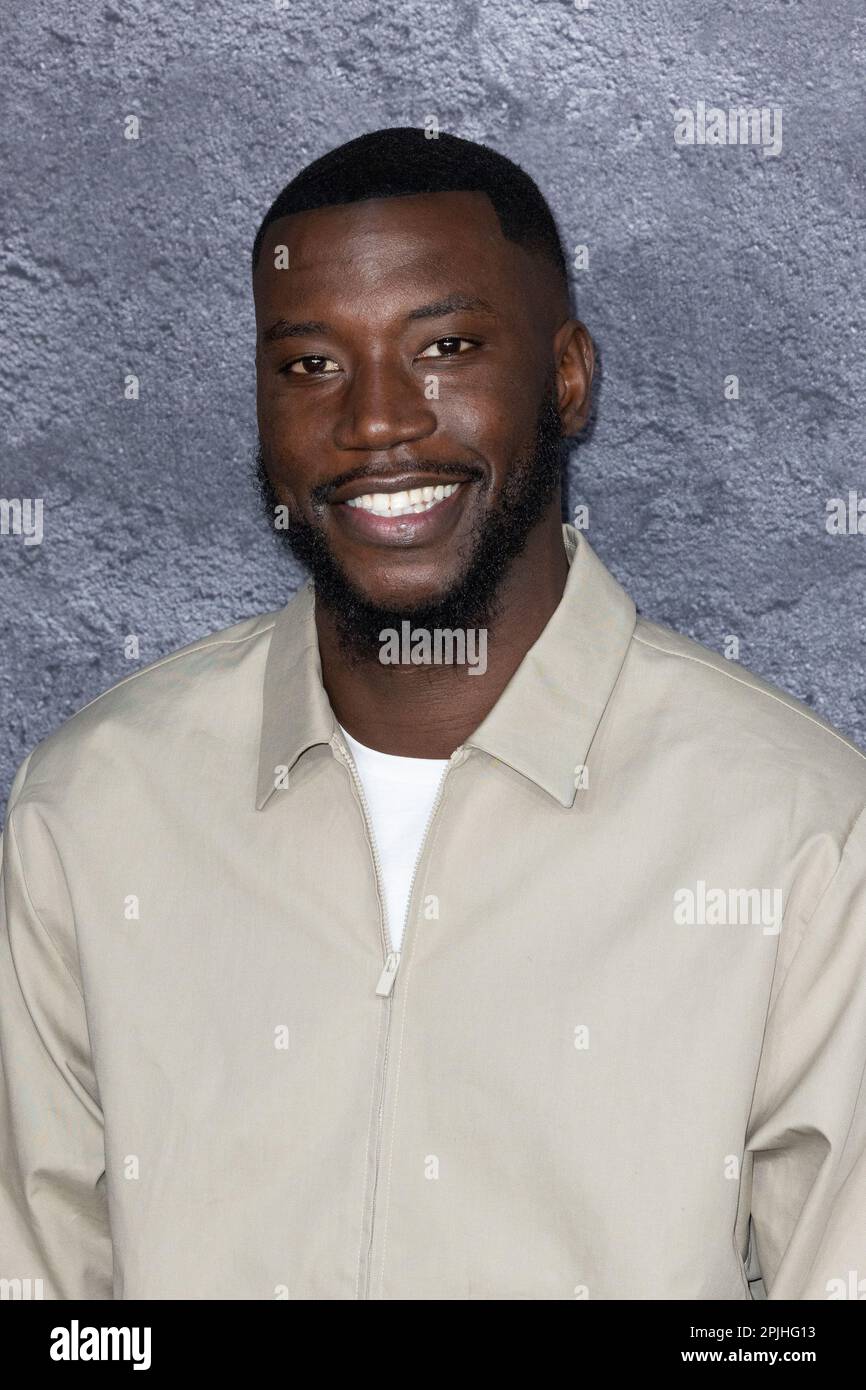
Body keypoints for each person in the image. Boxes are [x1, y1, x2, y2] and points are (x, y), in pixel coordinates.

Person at [1, 127, 865, 1301]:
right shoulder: (90, 810)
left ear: (565, 376)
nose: (375, 423)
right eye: (311, 364)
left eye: (444, 348)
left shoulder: (799, 830)